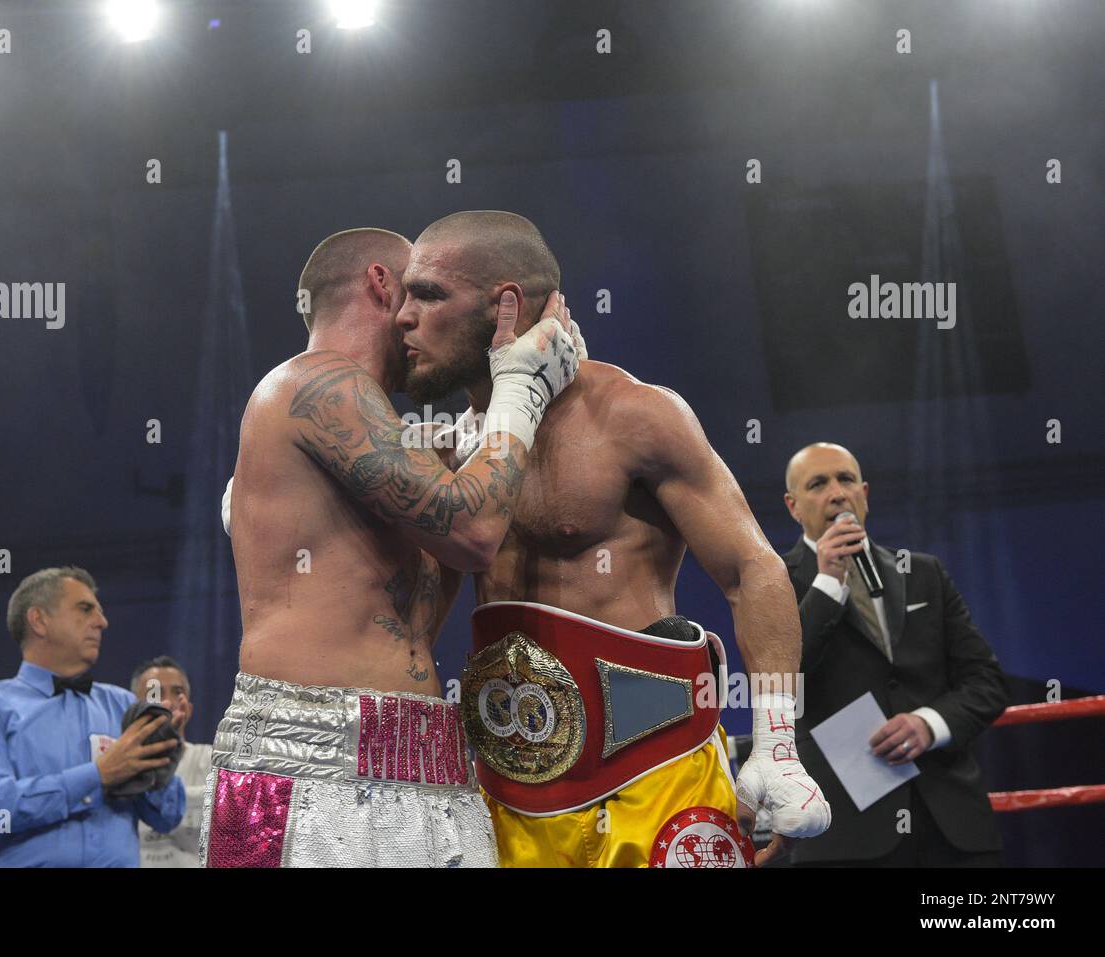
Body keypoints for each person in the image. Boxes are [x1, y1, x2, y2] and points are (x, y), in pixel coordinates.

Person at [394, 210, 830, 868]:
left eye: (427, 293)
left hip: (652, 773)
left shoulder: (634, 416)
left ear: (504, 303)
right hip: (509, 786)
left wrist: (776, 744)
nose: (403, 315)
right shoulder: (456, 447)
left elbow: (750, 568)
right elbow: (412, 623)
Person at [204, 227, 580, 867]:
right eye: (415, 297)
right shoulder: (317, 384)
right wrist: (520, 389)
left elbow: (420, 613)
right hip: (309, 758)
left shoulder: (384, 429)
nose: (416, 322)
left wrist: (474, 438)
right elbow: (473, 531)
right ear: (381, 284)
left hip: (424, 751)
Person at [780, 442, 1008, 866]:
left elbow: (987, 681)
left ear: (864, 493)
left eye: (846, 480)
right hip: (847, 832)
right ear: (793, 506)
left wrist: (929, 723)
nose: (836, 493)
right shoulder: (773, 583)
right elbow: (779, 683)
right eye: (818, 484)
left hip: (951, 824)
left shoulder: (923, 573)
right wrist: (828, 584)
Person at [0, 567, 184, 867]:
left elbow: (167, 819)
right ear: (39, 620)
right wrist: (98, 776)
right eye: (85, 609)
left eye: (99, 611)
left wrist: (163, 761)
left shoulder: (123, 705)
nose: (102, 622)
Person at [131, 656, 212, 867]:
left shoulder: (210, 759)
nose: (166, 702)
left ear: (189, 709)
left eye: (177, 692)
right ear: (133, 709)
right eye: (154, 693)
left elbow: (231, 812)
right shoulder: (119, 765)